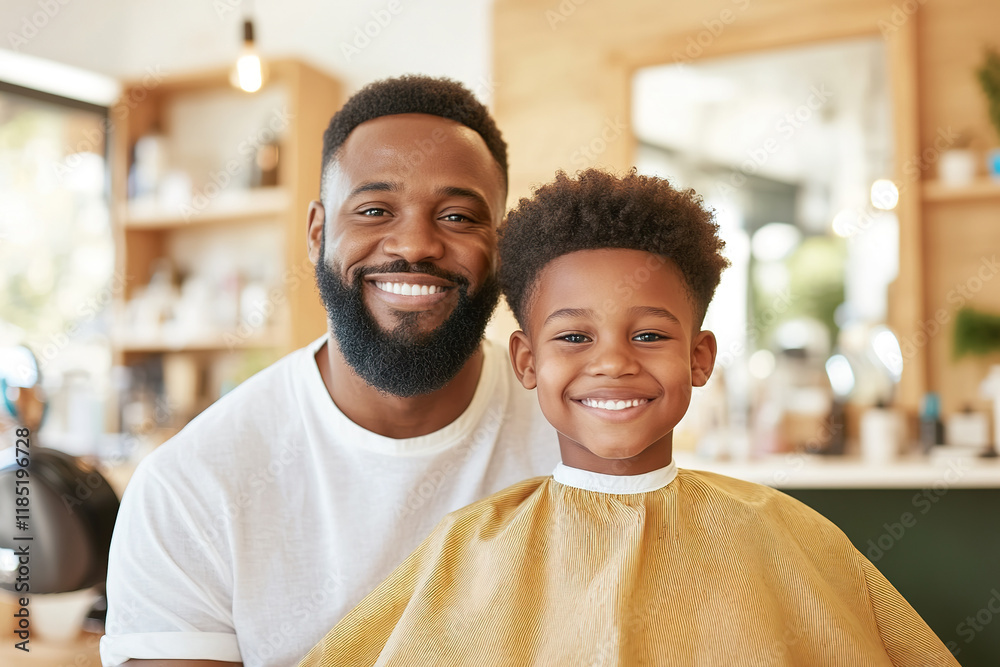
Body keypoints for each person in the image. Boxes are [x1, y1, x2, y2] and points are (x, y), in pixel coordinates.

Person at [297, 169, 960, 666]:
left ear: (699, 357)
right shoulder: (466, 550)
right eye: (574, 337)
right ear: (527, 361)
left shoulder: (789, 539)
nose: (612, 363)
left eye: (648, 336)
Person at [99, 76, 559, 667]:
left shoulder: (573, 444)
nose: (415, 244)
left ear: (501, 243)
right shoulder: (192, 488)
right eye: (373, 209)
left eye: (456, 216)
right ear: (317, 232)